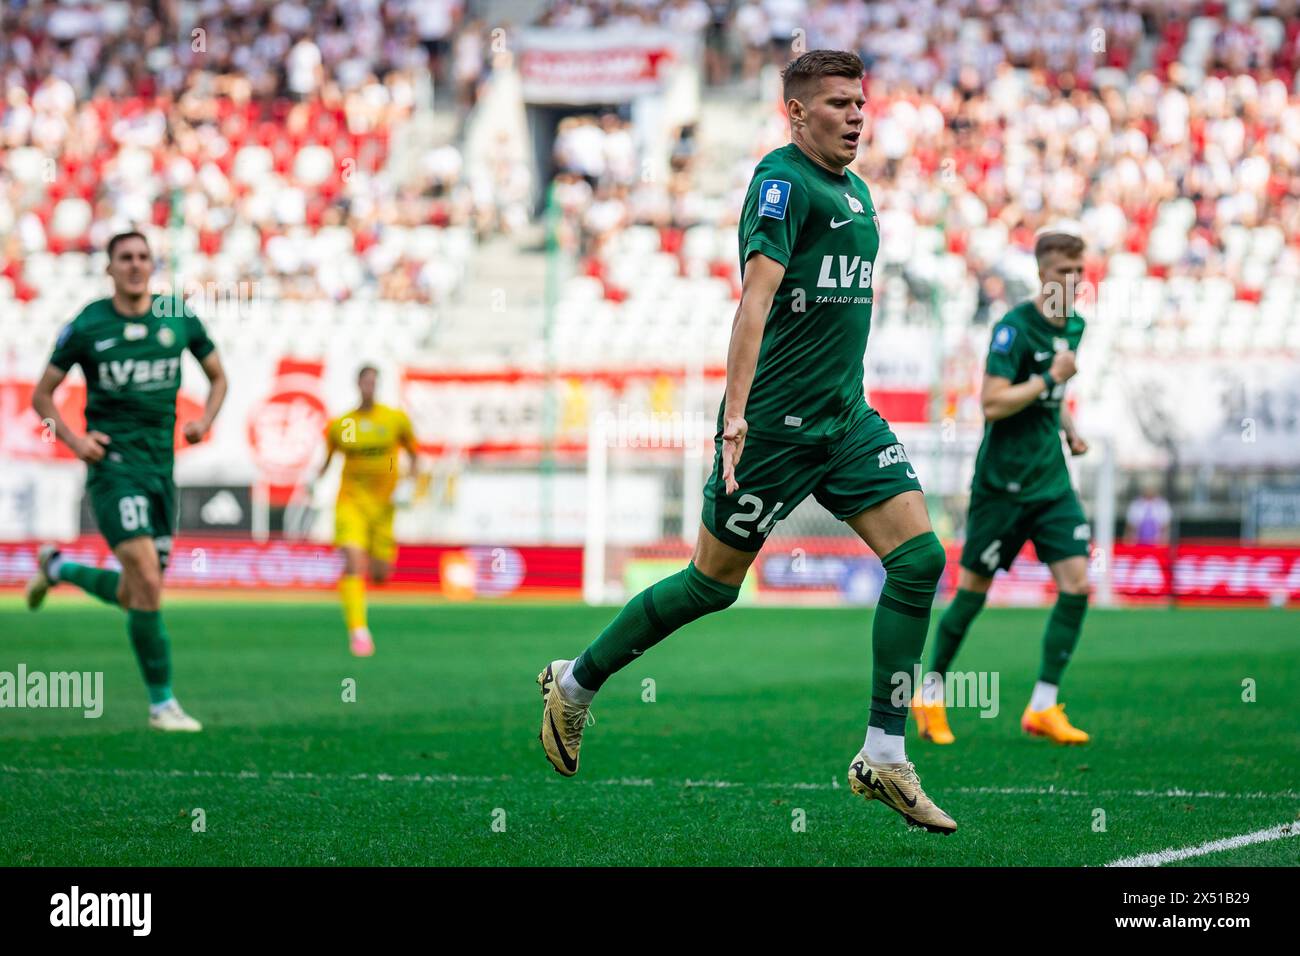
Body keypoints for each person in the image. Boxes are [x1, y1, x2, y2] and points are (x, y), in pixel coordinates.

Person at [536, 50, 956, 834]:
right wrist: (735, 416)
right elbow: (754, 301)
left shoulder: (858, 191)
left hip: (846, 421)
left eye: (861, 102)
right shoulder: (782, 182)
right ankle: (576, 682)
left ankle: (884, 754)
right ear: (796, 113)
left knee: (921, 557)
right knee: (710, 585)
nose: (857, 115)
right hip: (773, 429)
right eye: (838, 103)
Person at [26, 231, 227, 732]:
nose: (135, 265)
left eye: (143, 257)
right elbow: (42, 397)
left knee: (136, 594)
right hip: (113, 469)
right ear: (110, 267)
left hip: (162, 470)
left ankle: (59, 568)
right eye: (125, 258)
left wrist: (206, 420)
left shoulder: (178, 318)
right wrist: (75, 442)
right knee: (147, 579)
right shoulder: (88, 325)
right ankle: (162, 705)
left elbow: (219, 376)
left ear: (152, 265)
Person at [913, 231, 1093, 747]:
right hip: (1002, 484)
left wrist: (1068, 427)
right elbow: (992, 402)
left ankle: (1042, 705)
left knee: (1077, 584)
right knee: (973, 592)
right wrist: (1047, 381)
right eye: (1063, 270)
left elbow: (1050, 395)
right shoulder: (1013, 330)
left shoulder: (1076, 326)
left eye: (1079, 270)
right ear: (1042, 274)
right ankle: (928, 691)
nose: (1073, 280)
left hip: (1051, 480)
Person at [316, 365, 420, 657]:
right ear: (357, 384)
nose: (369, 387)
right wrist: (315, 482)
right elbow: (326, 461)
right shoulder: (341, 424)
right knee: (352, 561)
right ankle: (358, 631)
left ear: (378, 384)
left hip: (384, 507)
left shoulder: (395, 420)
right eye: (365, 382)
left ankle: (361, 618)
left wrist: (409, 486)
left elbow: (414, 457)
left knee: (379, 574)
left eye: (374, 382)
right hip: (350, 502)